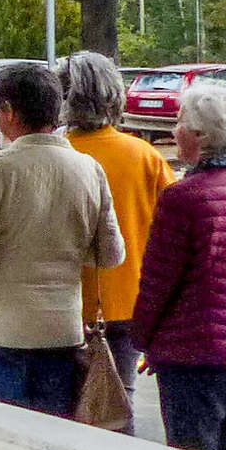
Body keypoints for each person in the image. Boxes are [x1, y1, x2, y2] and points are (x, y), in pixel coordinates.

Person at [0, 62, 125, 418]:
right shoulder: (88, 169)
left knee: (0, 439)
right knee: (53, 440)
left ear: (9, 112)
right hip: (62, 331)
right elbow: (110, 254)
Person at [134, 83, 226, 450]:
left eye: (180, 122)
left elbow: (158, 281)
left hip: (197, 354)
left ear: (199, 136)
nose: (173, 130)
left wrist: (144, 339)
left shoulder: (183, 199)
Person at [59, 50, 177, 404]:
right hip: (128, 304)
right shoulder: (145, 157)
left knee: (63, 410)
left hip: (64, 304)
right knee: (115, 404)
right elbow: (171, 237)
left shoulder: (55, 156)